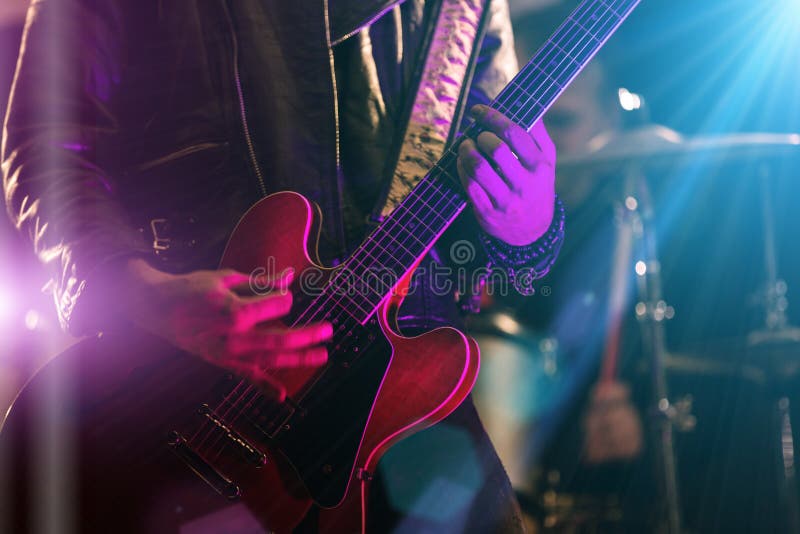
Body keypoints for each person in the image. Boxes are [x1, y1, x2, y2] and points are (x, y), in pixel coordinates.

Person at [2, 0, 564, 531]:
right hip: (174, 387)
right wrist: (144, 291)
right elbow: (46, 143)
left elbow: (491, 214)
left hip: (404, 392)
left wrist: (527, 225)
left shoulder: (465, 10)